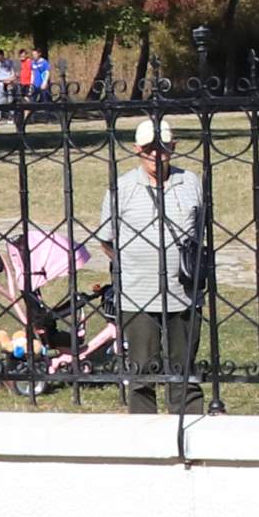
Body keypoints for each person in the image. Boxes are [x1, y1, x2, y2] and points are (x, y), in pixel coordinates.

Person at [108, 118, 212, 414]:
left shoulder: (190, 182)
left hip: (184, 292)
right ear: (137, 149)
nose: (156, 154)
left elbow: (201, 229)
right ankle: (144, 430)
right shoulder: (122, 187)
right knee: (141, 371)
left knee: (184, 369)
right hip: (137, 294)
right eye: (149, 148)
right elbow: (107, 239)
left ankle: (188, 422)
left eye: (163, 147)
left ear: (173, 147)